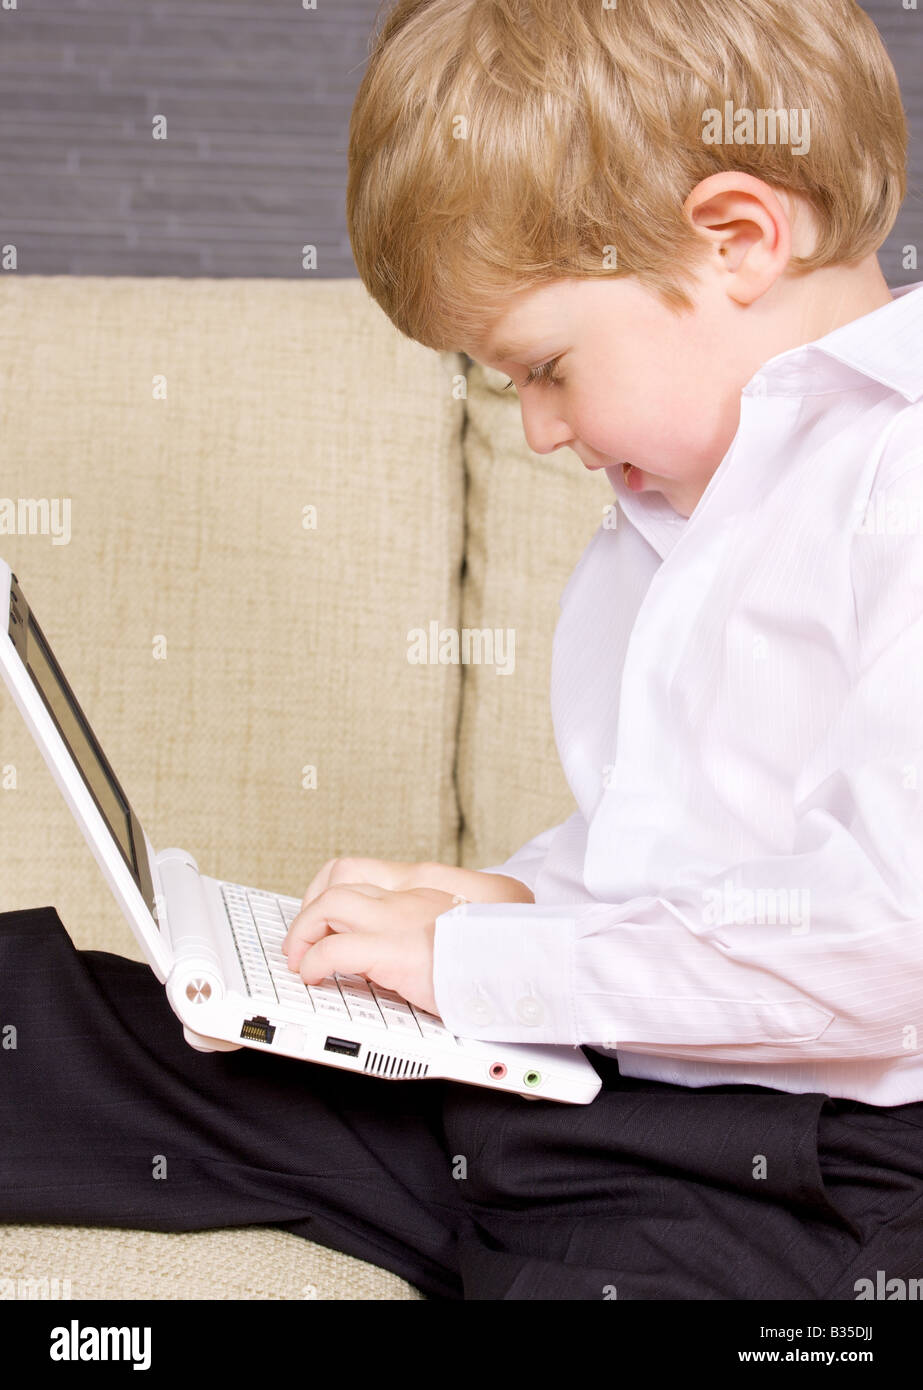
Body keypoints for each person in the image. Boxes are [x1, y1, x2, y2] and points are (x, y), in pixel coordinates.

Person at [3, 0, 922, 1301]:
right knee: (91, 1034)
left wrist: (483, 966)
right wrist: (502, 903)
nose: (541, 429)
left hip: (802, 1166)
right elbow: (671, 853)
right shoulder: (665, 508)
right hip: (575, 1080)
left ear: (737, 238)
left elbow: (886, 946)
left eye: (544, 365)